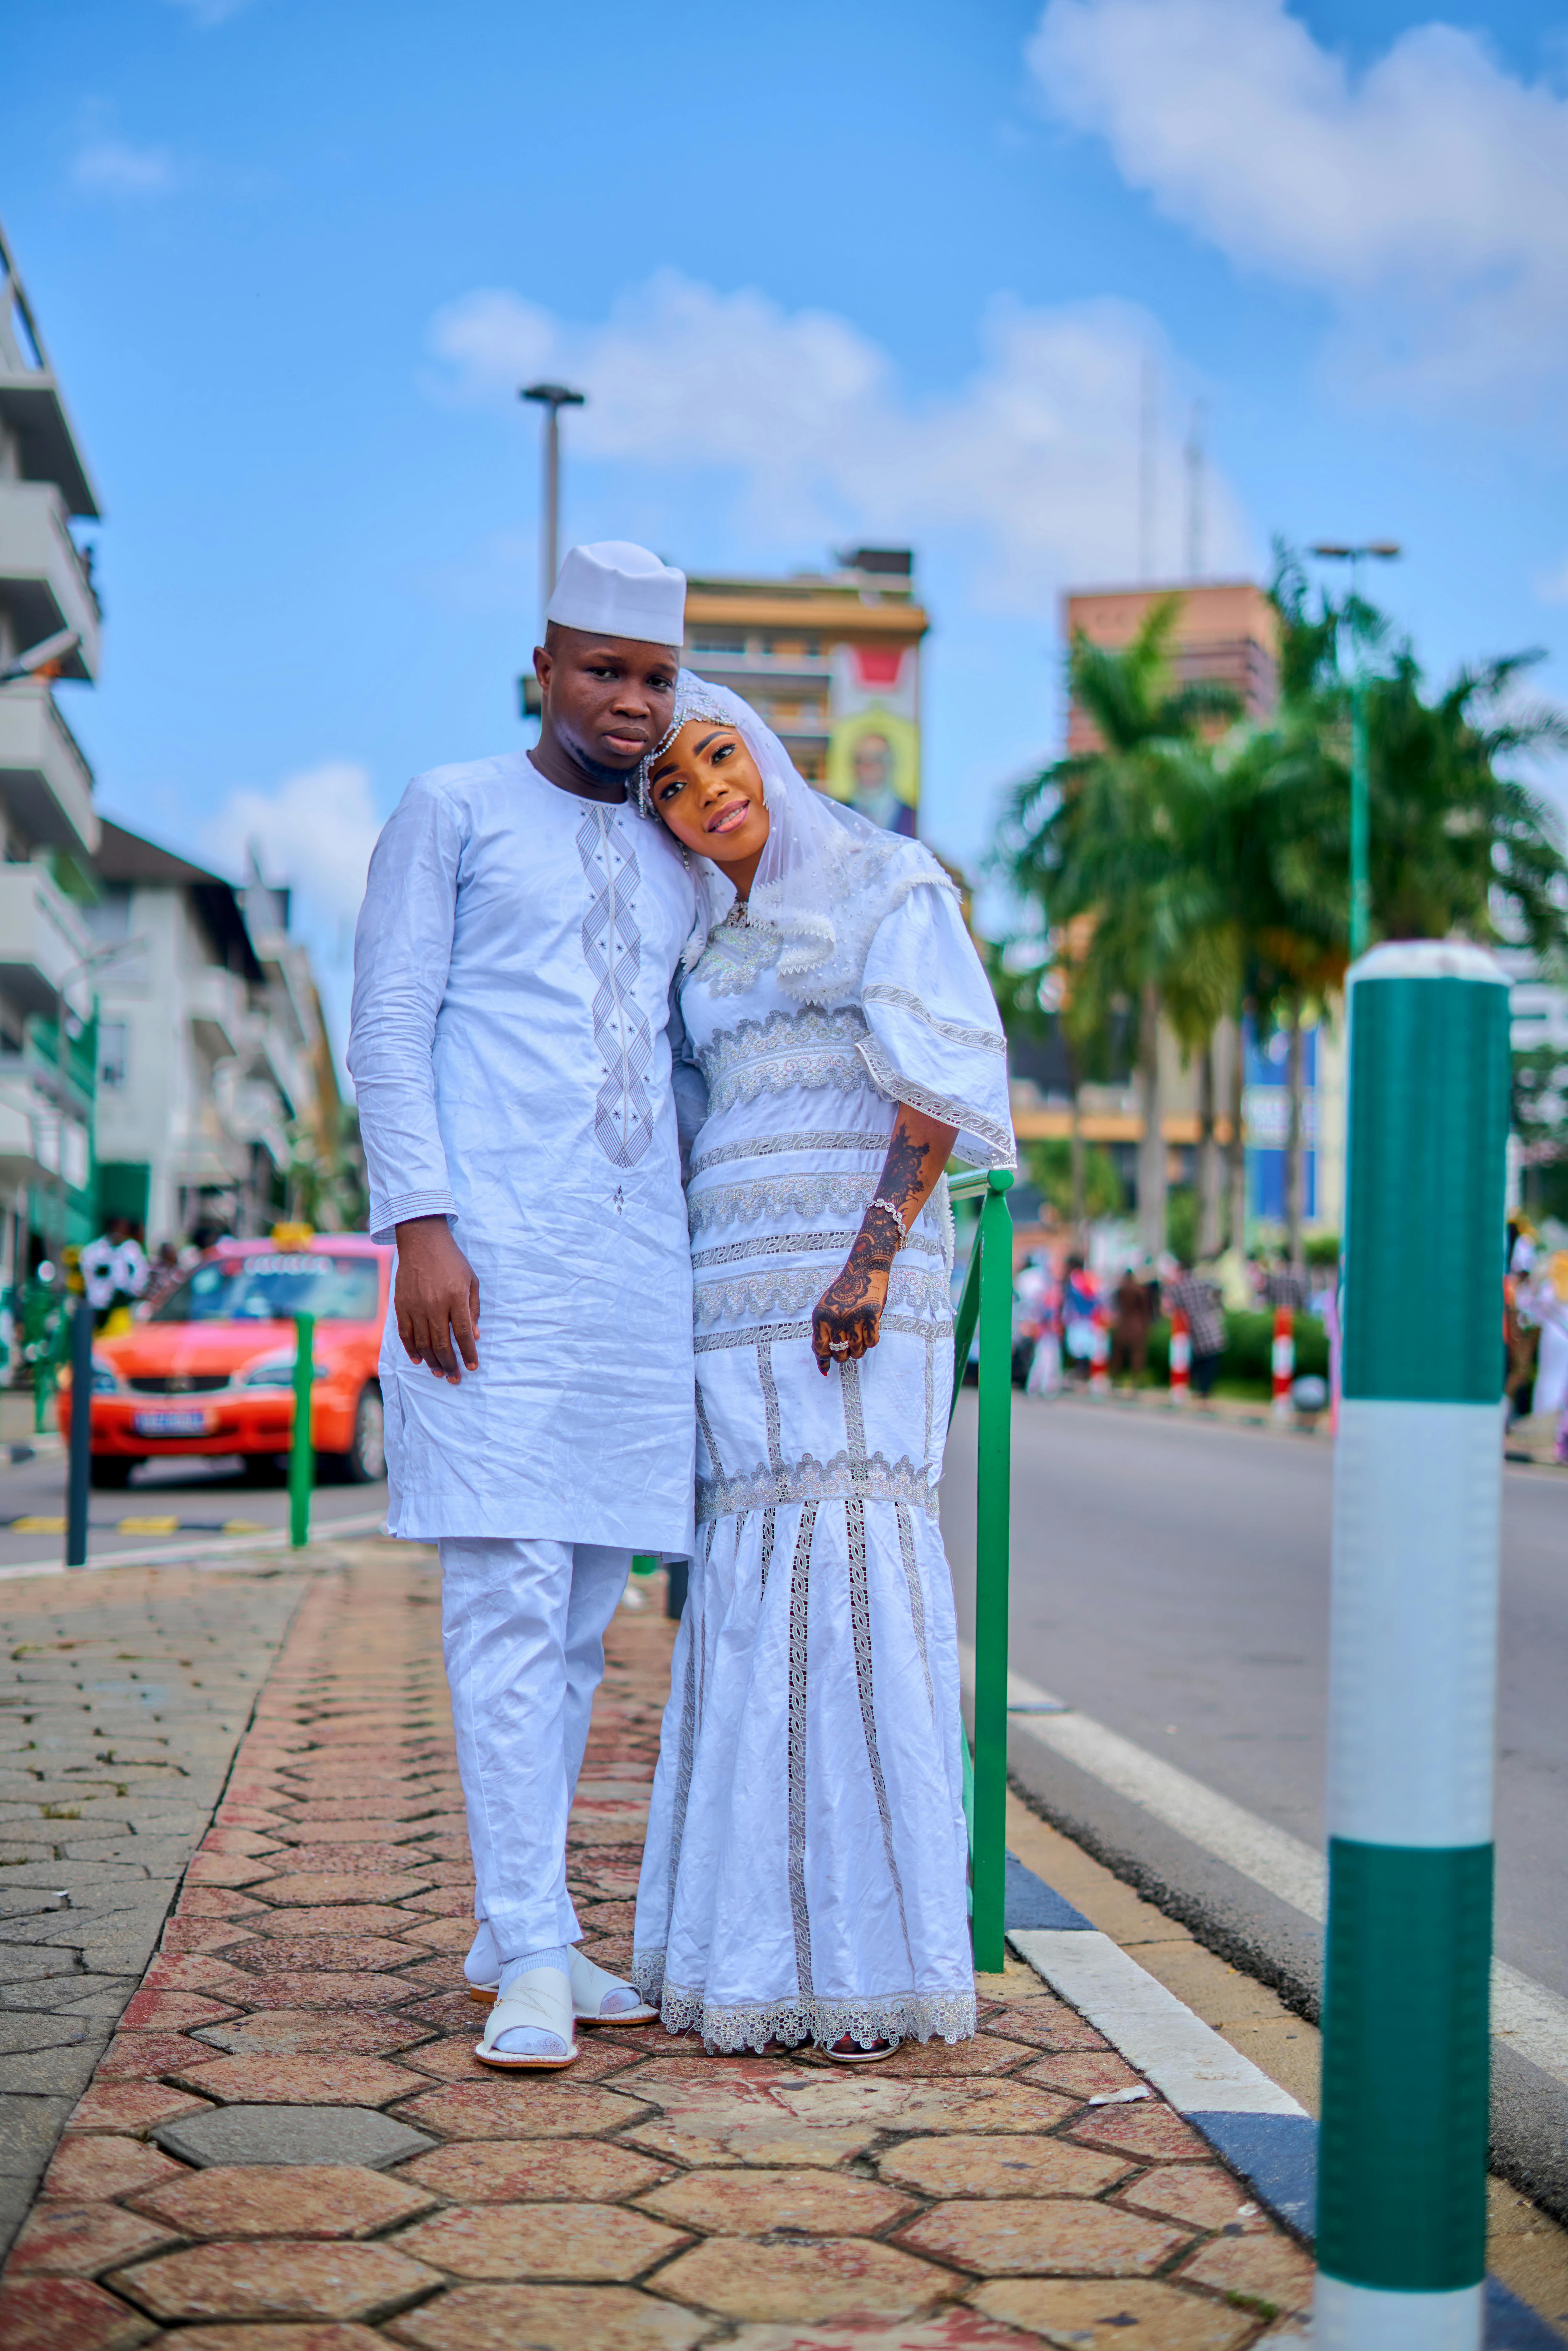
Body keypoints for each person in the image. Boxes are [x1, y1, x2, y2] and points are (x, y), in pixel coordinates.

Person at [348, 541, 704, 2072]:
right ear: (544, 667)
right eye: (602, 670)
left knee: (575, 1616)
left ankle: (521, 1926)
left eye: (654, 677)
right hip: (484, 1264)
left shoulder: (686, 859)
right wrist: (419, 1226)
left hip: (635, 1278)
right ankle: (535, 1952)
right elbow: (386, 1023)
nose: (629, 703)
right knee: (501, 1593)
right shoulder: (454, 808)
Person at [631, 672, 1014, 2061]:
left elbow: (937, 1086)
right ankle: (740, 1948)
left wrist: (865, 1256)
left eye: (717, 757)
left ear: (765, 751)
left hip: (849, 1283)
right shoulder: (699, 943)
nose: (704, 795)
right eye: (668, 787)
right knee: (747, 1576)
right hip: (730, 1292)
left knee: (850, 1553)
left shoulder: (881, 880)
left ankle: (870, 1956)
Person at [1163, 1256, 1226, 1400]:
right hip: (1212, 1324)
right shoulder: (1202, 1283)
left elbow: (1171, 1306)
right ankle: (1205, 1391)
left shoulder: (1180, 1287)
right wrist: (1215, 1306)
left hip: (1196, 1328)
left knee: (1200, 1362)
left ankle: (1202, 1391)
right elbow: (1219, 1289)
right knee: (1211, 1362)